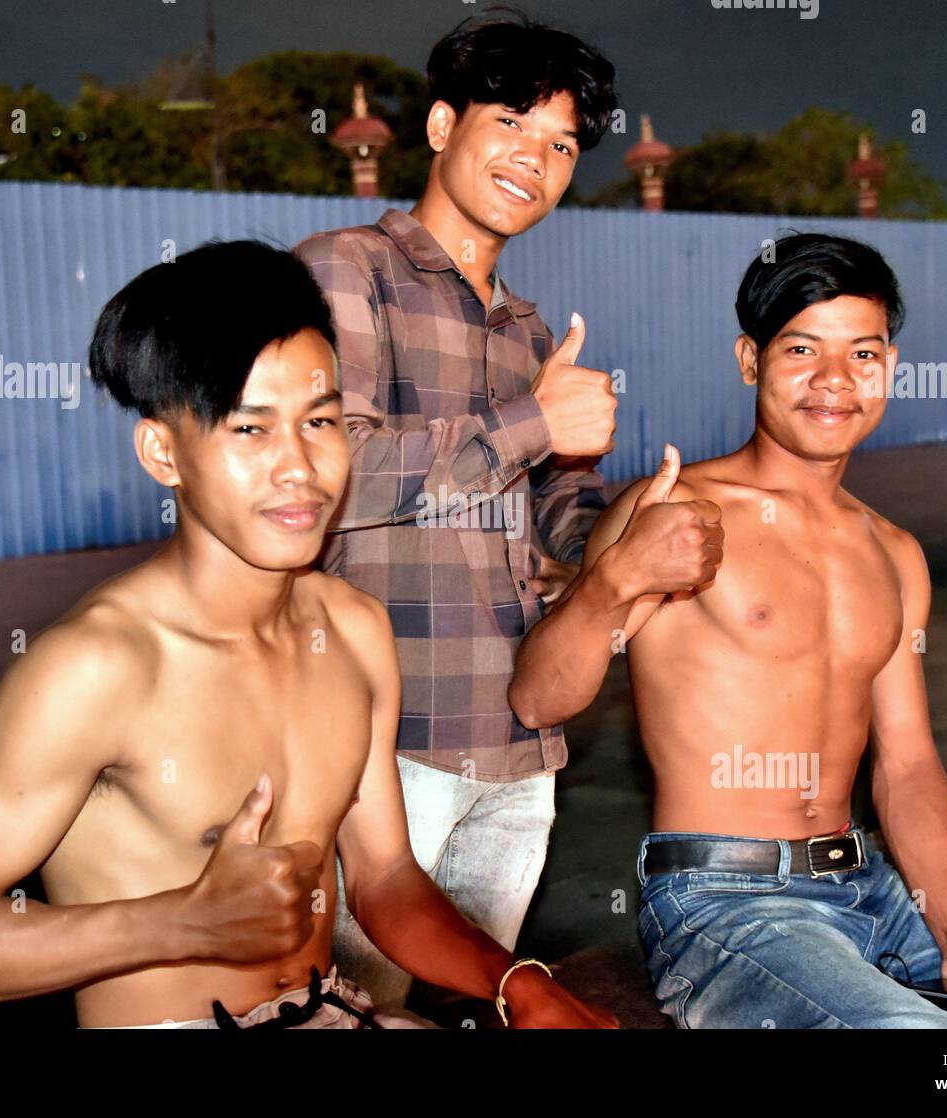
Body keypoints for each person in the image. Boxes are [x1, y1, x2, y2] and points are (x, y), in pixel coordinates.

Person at [0, 240, 617, 1029]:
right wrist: (181, 921)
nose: (299, 467)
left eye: (321, 420)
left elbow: (385, 879)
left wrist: (517, 984)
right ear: (164, 453)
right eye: (250, 431)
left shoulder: (354, 630)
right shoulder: (99, 665)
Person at [508, 232, 947, 1028]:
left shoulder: (894, 551)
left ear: (890, 368)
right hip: (724, 903)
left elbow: (905, 765)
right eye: (802, 349)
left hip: (875, 886)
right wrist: (614, 580)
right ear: (748, 360)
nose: (835, 381)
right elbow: (535, 701)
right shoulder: (672, 510)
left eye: (863, 355)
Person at [293, 11, 631, 1009]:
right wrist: (535, 419)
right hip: (381, 749)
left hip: (519, 748)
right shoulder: (345, 270)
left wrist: (637, 527)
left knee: (477, 1002)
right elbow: (326, 477)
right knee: (351, 1005)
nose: (539, 159)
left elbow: (559, 522)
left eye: (563, 144)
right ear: (441, 125)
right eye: (514, 125)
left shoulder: (529, 330)